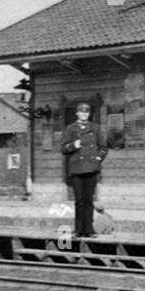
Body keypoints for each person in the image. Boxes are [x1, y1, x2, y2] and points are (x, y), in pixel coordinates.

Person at [60, 102, 107, 239]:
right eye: (82, 112)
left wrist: (98, 159)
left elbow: (103, 147)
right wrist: (73, 145)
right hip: (77, 168)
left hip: (91, 167)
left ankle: (89, 229)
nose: (84, 114)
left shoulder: (95, 128)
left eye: (87, 112)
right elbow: (63, 149)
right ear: (77, 113)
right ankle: (79, 229)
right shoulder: (70, 129)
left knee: (88, 200)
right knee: (79, 200)